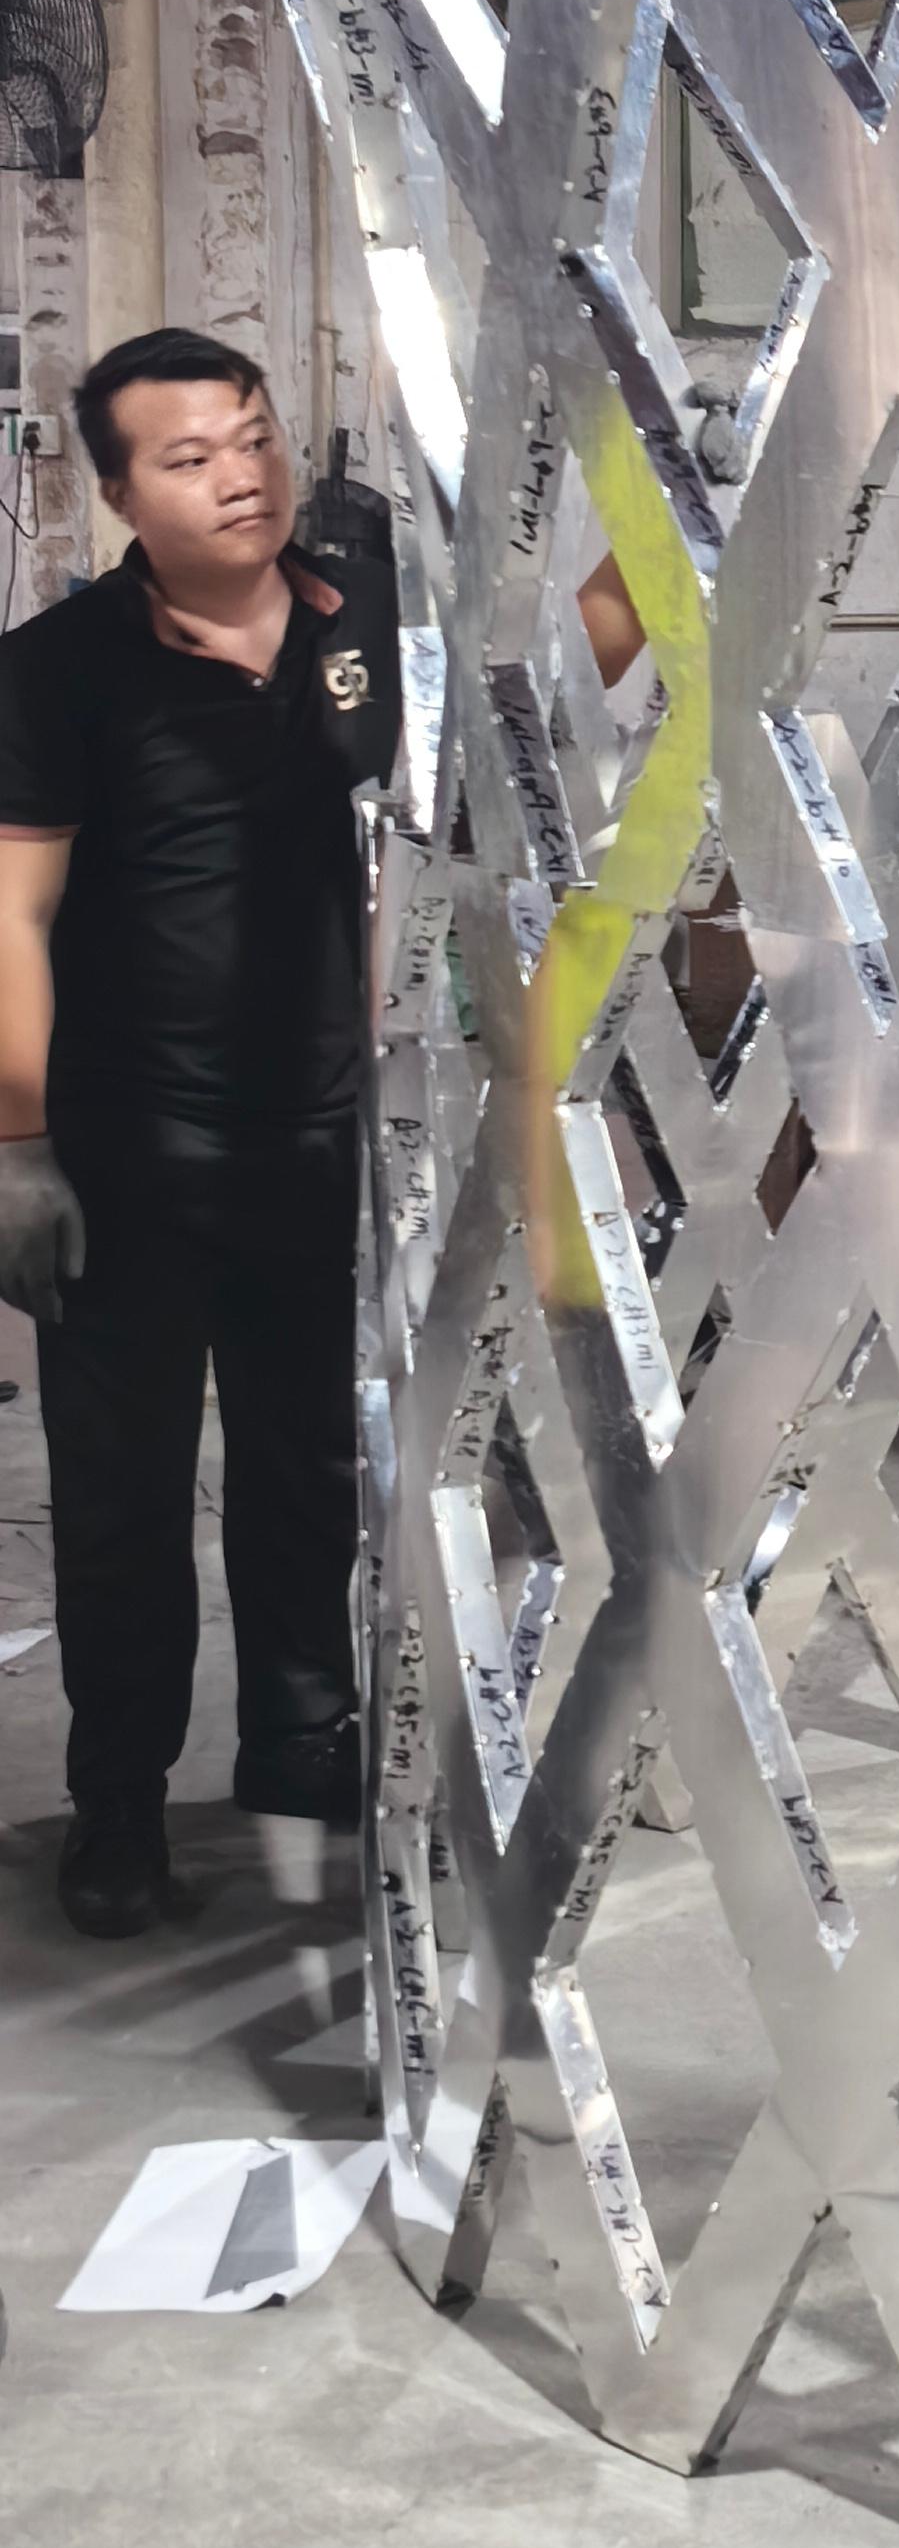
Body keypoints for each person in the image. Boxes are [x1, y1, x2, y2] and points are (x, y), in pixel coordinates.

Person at [0, 326, 642, 1940]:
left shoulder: (372, 626)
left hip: (325, 1142)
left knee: (305, 1467)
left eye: (257, 439)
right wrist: (14, 1144)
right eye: (190, 458)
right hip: (128, 1157)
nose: (242, 477)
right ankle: (120, 1801)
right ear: (120, 494)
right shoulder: (58, 670)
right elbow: (13, 910)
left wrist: (657, 507)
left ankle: (298, 1747)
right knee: (123, 1501)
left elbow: (560, 681)